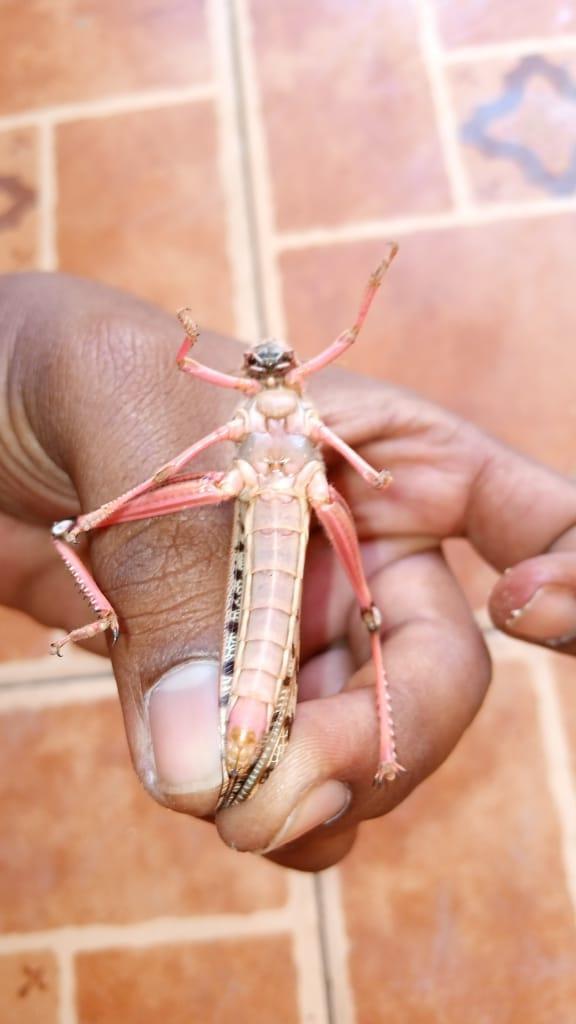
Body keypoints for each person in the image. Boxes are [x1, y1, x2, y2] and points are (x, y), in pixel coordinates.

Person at [1, 271, 574, 873]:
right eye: (262, 364)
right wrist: (185, 348)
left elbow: (348, 338)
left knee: (370, 605)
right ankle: (107, 616)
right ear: (251, 374)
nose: (273, 370)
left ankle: (380, 743)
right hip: (256, 495)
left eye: (282, 364)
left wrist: (374, 281)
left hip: (307, 497)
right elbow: (190, 377)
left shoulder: (307, 417)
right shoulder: (239, 415)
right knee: (80, 528)